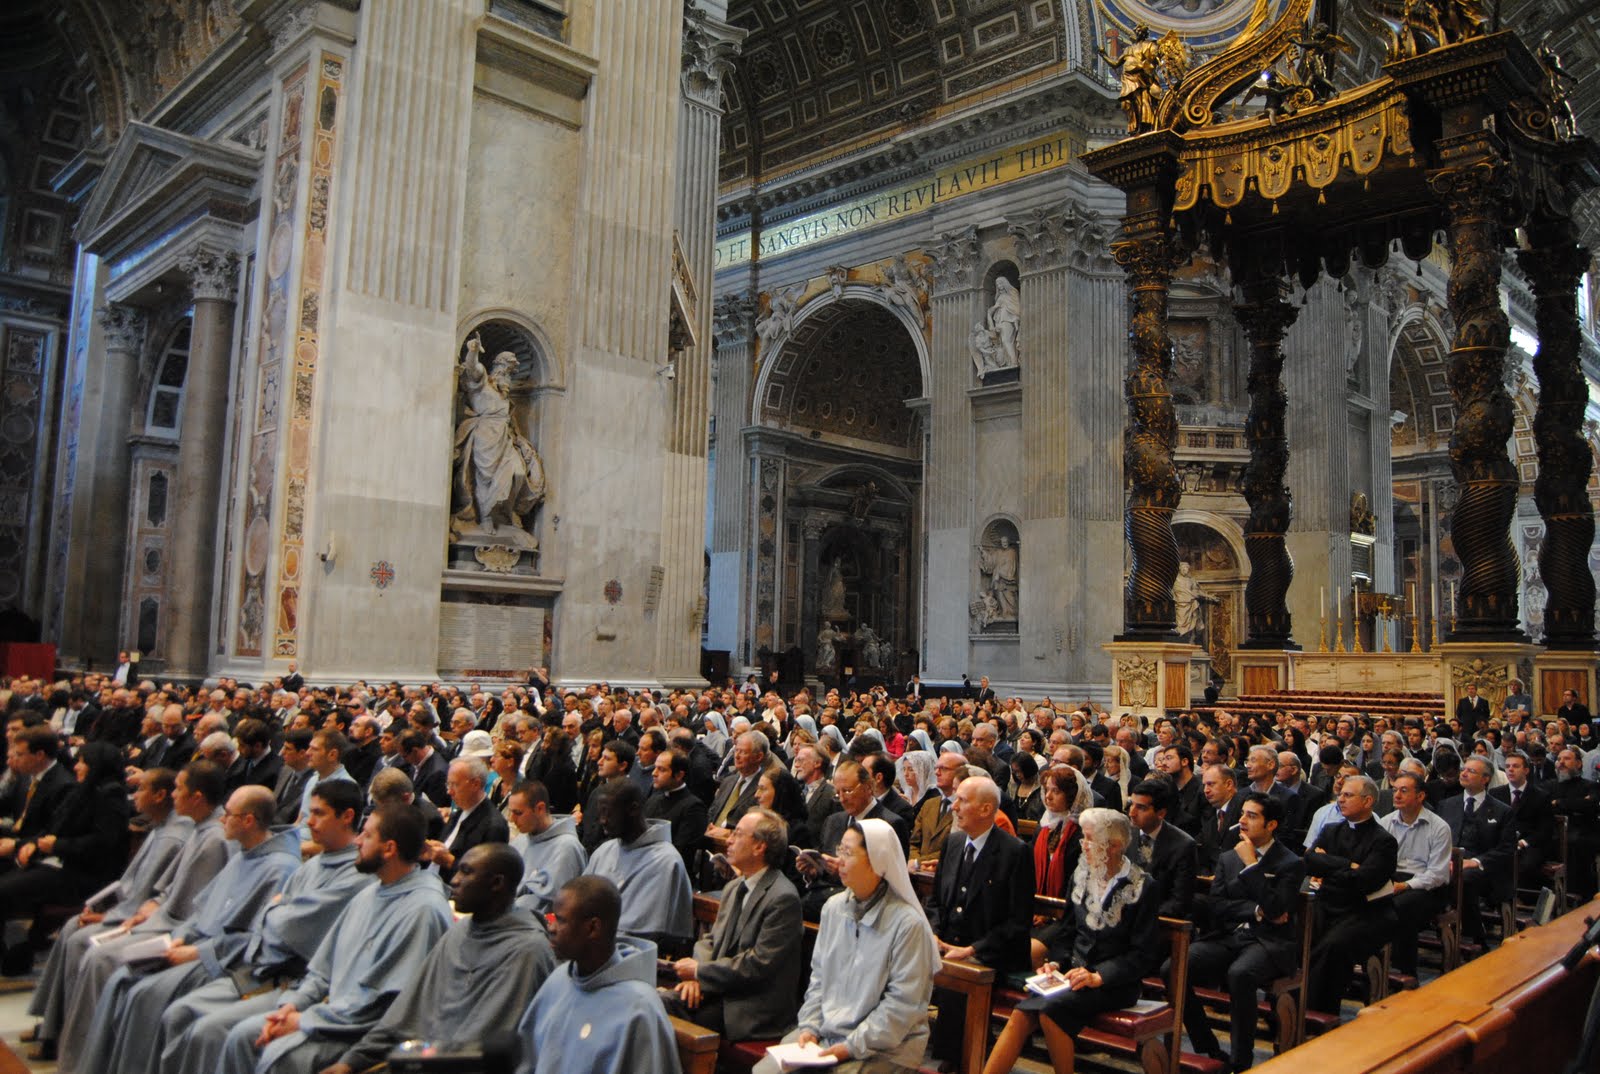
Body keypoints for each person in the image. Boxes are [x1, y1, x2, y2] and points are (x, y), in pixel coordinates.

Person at [108, 780, 372, 1074]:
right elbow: (266, 921)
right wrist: (276, 910)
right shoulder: (311, 865)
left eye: (319, 813)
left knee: (199, 1025)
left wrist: (273, 909)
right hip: (254, 964)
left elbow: (285, 928)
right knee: (168, 1007)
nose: (308, 822)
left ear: (347, 817)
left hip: (284, 975)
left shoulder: (350, 874)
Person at [68, 785, 303, 1073]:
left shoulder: (280, 868)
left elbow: (256, 939)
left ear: (248, 820)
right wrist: (177, 939)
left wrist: (197, 952)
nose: (221, 819)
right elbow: (202, 911)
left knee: (145, 995)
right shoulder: (244, 853)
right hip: (193, 945)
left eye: (228, 814)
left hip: (223, 962)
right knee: (122, 978)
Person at [210, 805, 454, 1074]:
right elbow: (322, 971)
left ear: (389, 849)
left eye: (367, 835)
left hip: (357, 1035)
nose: (357, 841)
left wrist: (304, 1020)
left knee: (281, 1058)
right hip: (328, 1015)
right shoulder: (369, 894)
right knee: (242, 1036)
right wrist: (292, 1006)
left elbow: (384, 1008)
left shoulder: (423, 911)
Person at [320, 843, 555, 1074]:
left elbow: (480, 1047)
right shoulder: (459, 932)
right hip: (420, 1060)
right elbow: (404, 1015)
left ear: (497, 883)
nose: (454, 880)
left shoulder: (528, 951)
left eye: (466, 872)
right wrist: (351, 1061)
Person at [983, 808, 1162, 1074]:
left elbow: (1143, 954)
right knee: (1021, 1013)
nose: (1083, 845)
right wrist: (1055, 962)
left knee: (1051, 1013)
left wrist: (1099, 976)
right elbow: (1067, 931)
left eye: (1089, 839)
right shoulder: (1082, 874)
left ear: (1113, 846)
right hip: (1073, 976)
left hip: (1114, 984)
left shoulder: (1142, 886)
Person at [753, 818, 938, 1073]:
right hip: (828, 1032)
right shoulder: (833, 908)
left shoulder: (908, 924)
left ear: (877, 861)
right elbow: (819, 979)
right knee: (765, 1070)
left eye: (848, 853)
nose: (838, 860)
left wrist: (850, 1046)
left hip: (887, 1048)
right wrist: (810, 1027)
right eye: (840, 850)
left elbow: (902, 1006)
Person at [25, 766, 189, 1050]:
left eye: (141, 789)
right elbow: (131, 885)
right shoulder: (161, 826)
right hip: (131, 909)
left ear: (159, 795)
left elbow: (149, 896)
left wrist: (107, 915)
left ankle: (73, 1037)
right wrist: (102, 909)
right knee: (72, 928)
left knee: (82, 942)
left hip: (148, 921)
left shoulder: (173, 836)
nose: (135, 795)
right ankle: (53, 1022)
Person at [1182, 792, 1305, 1072]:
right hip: (1229, 935)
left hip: (1269, 941)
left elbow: (1278, 909)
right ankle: (1207, 1045)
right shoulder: (1228, 858)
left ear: (1271, 824)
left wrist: (1251, 865)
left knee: (1241, 974)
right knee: (1174, 967)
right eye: (1242, 814)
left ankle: (1241, 1061)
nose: (1242, 821)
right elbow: (1216, 906)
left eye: (1252, 816)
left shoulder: (1290, 862)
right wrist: (1256, 910)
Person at [662, 808, 803, 1040]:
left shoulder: (782, 898)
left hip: (751, 1005)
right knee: (656, 1001)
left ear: (759, 847)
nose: (729, 840)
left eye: (737, 834)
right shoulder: (734, 886)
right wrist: (696, 977)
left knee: (665, 1010)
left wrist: (699, 972)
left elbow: (758, 965)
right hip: (720, 989)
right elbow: (710, 940)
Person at [517, 875, 682, 1074]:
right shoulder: (558, 979)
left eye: (560, 920)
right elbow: (526, 1060)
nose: (550, 927)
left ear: (593, 928)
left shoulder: (639, 1007)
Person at [0, 741, 131, 976]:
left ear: (97, 765)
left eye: (83, 762)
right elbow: (54, 829)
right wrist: (29, 844)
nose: (77, 766)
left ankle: (20, 953)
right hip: (62, 865)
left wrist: (56, 846)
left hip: (85, 876)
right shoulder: (86, 790)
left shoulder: (111, 796)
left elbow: (102, 844)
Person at [928, 776, 1034, 1063]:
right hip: (948, 943)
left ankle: (965, 1059)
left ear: (986, 809)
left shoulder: (1015, 852)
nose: (954, 806)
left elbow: (1017, 922)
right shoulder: (953, 843)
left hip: (993, 951)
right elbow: (935, 901)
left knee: (962, 973)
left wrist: (972, 949)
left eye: (962, 801)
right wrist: (934, 934)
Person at [1303, 775, 1398, 1014]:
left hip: (1365, 911)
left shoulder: (1383, 840)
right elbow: (1310, 862)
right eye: (1340, 794)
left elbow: (1364, 881)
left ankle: (1320, 1014)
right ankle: (1293, 1010)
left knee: (1332, 947)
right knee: (1297, 937)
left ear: (1367, 801)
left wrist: (1329, 864)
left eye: (1348, 795)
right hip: (1327, 904)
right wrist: (1348, 865)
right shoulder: (1331, 830)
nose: (1340, 799)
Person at [582, 780, 693, 949]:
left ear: (633, 809)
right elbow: (579, 904)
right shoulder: (604, 850)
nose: (602, 821)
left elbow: (643, 934)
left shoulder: (665, 861)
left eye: (609, 814)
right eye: (600, 814)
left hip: (632, 954)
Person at [1378, 773, 1452, 977]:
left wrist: (1407, 885)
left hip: (1427, 887)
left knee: (1402, 907)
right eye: (1395, 790)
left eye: (1404, 791)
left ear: (1420, 796)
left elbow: (1438, 873)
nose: (1397, 795)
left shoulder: (1439, 827)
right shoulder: (1385, 822)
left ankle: (1405, 972)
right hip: (1393, 879)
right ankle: (1372, 963)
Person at [1438, 755, 1518, 941]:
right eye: (1463, 769)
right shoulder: (1446, 805)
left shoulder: (1502, 811)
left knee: (1464, 879)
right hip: (1448, 862)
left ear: (1485, 779)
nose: (1464, 773)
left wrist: (1475, 862)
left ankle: (1474, 936)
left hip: (1485, 868)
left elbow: (1506, 848)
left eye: (1471, 771)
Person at [421, 757, 509, 881]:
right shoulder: (460, 810)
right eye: (448, 784)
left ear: (475, 784)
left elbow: (485, 877)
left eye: (454, 785)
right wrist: (430, 852)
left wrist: (449, 862)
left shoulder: (494, 826)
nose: (449, 792)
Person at [507, 779, 588, 914]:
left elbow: (554, 906)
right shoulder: (520, 840)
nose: (511, 819)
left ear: (540, 808)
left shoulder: (567, 848)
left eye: (518, 813)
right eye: (511, 812)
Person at [1126, 778, 1198, 918]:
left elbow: (1180, 902)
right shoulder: (1124, 834)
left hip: (1157, 920)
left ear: (1161, 813)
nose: (1132, 813)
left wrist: (1140, 916)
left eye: (1141, 808)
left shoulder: (1183, 846)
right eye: (1131, 804)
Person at [646, 748, 709, 869]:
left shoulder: (693, 807)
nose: (654, 773)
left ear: (679, 775)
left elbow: (681, 853)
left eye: (661, 769)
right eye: (655, 767)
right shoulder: (653, 800)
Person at [908, 750, 965, 867]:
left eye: (943, 769)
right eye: (936, 768)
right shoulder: (929, 804)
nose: (937, 773)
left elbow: (955, 847)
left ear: (960, 773)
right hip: (918, 872)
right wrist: (914, 861)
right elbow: (914, 841)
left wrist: (918, 862)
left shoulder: (964, 808)